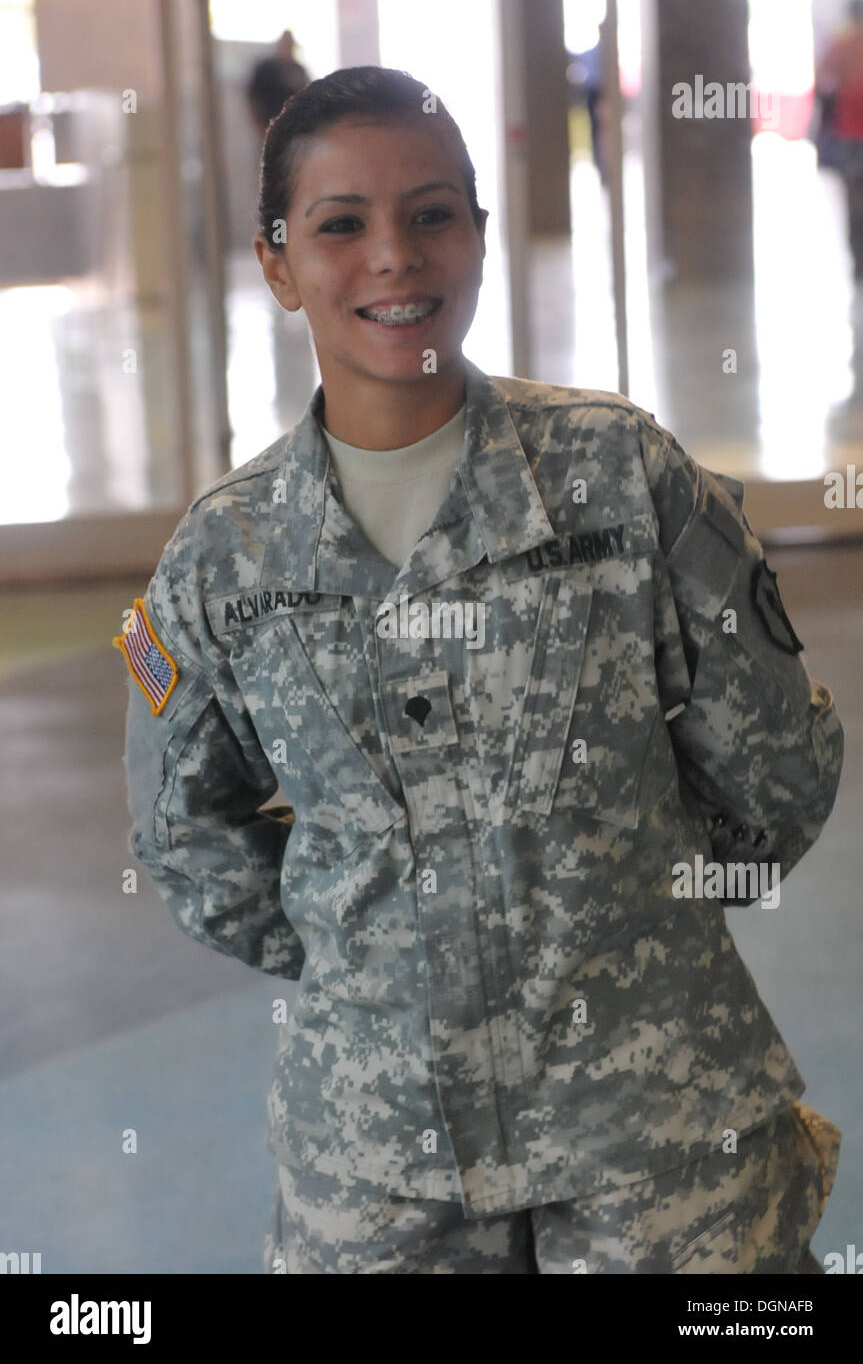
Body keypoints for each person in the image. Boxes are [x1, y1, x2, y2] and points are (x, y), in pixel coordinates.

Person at [115, 66, 843, 1274]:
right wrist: (371, 953)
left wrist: (626, 912)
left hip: (657, 1138)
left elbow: (779, 768)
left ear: (478, 238)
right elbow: (187, 843)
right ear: (278, 261)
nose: (395, 255)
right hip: (378, 1166)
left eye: (433, 212)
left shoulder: (617, 477)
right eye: (341, 224)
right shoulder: (225, 558)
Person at [817, 0, 863, 279]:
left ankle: (858, 258)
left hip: (849, 137)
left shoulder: (842, 46)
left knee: (855, 202)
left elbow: (823, 77)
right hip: (850, 136)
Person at [246, 29, 310, 140]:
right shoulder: (266, 69)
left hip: (294, 128)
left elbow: (308, 96)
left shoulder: (298, 70)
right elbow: (253, 98)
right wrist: (258, 125)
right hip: (267, 125)